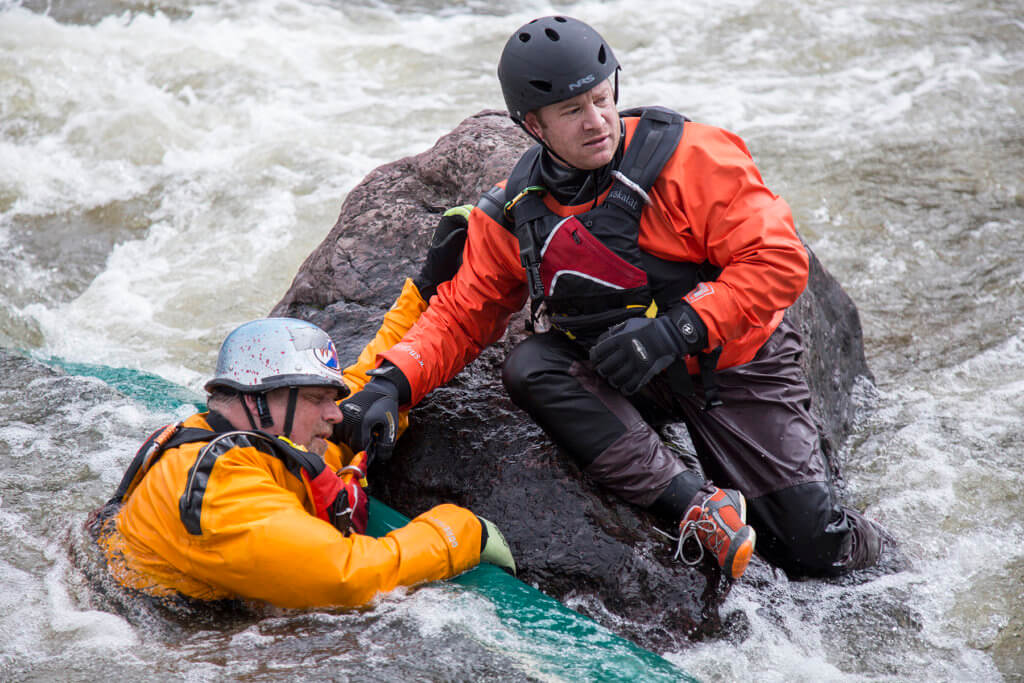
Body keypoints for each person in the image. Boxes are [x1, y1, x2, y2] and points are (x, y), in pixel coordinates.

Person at [348, 16, 884, 581]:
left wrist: (675, 331)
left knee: (814, 549)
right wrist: (391, 384)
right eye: (572, 112)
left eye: (602, 100)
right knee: (531, 364)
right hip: (624, 372)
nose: (597, 122)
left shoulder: (694, 160)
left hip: (732, 367)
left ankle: (881, 549)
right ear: (533, 124)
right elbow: (463, 313)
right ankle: (697, 509)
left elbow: (777, 262)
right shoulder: (517, 208)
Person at [90, 210, 515, 610]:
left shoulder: (256, 443)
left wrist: (426, 292)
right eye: (318, 400)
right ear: (259, 400)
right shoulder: (220, 488)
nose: (334, 414)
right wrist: (458, 532)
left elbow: (358, 394)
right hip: (155, 632)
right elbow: (347, 577)